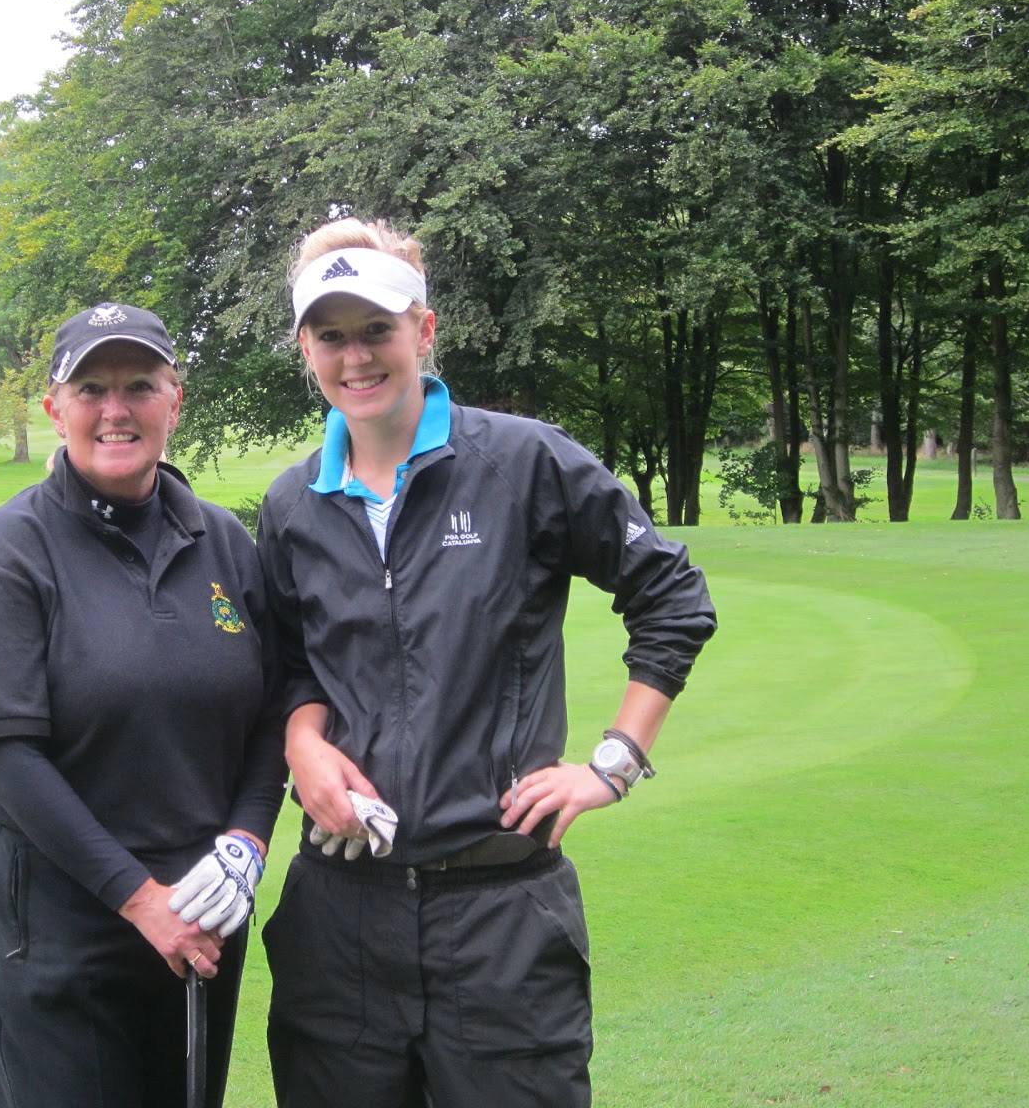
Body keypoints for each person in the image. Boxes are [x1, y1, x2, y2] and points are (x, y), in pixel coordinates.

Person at [255, 219, 717, 1108]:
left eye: (377, 330)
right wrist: (303, 743)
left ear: (423, 332)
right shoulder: (291, 504)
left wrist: (611, 766)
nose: (357, 357)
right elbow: (284, 666)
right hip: (340, 918)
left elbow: (671, 598)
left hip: (501, 913)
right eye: (332, 334)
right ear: (306, 348)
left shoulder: (523, 462)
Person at [0, 302, 285, 1108]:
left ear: (175, 397)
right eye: (90, 387)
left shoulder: (225, 543)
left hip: (202, 912)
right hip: (59, 924)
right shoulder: (6, 552)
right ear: (55, 407)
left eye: (139, 384)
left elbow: (276, 712)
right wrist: (141, 901)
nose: (115, 409)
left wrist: (245, 843)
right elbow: (8, 757)